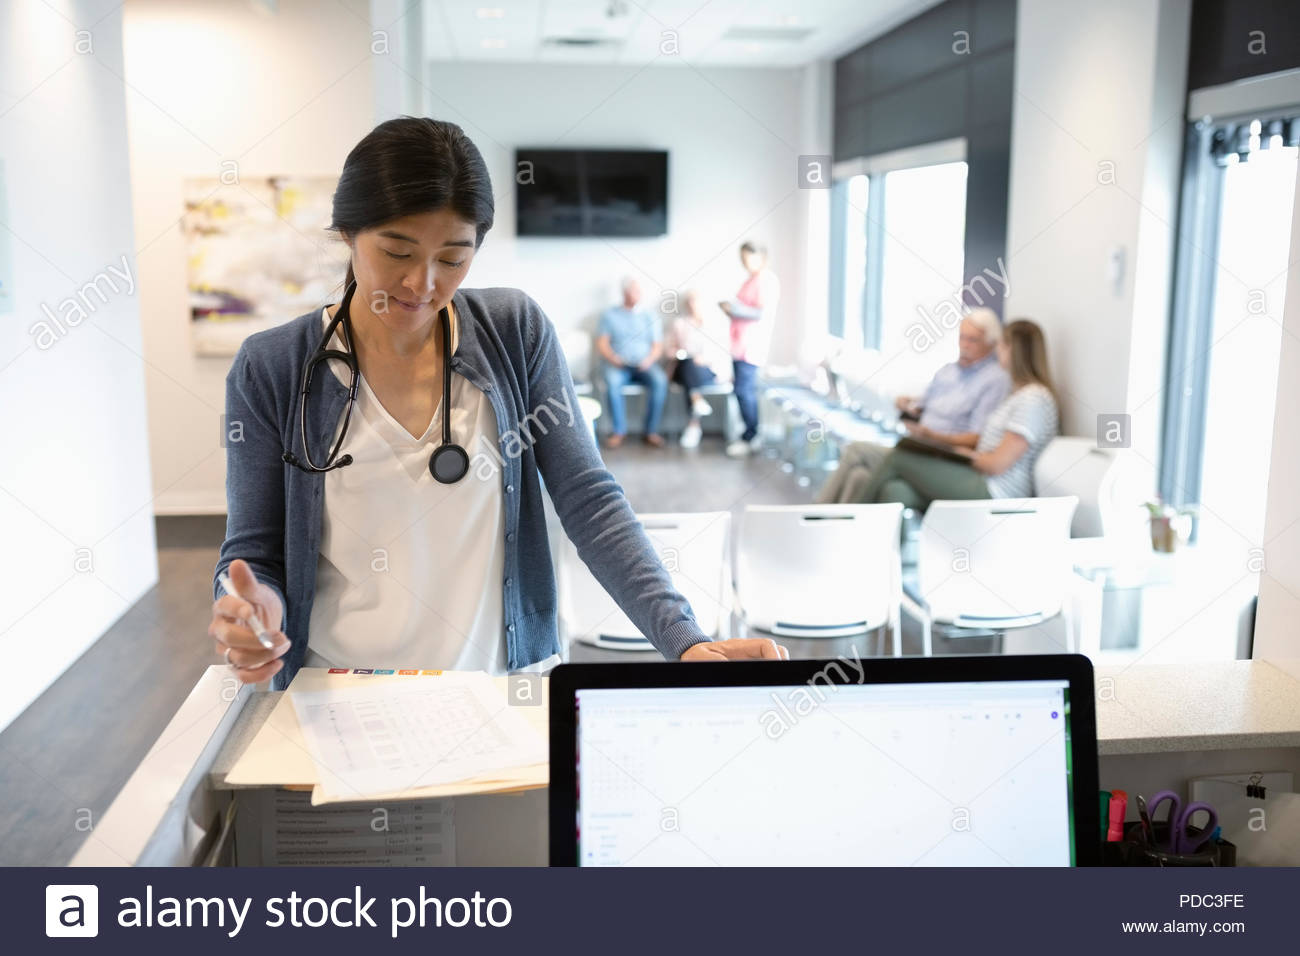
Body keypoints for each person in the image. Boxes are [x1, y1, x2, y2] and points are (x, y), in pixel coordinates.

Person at [208, 117, 788, 688]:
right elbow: (254, 553)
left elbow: (588, 499)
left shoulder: (514, 332)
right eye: (397, 252)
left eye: (453, 258)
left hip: (499, 692)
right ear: (346, 235)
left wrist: (682, 638)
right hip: (337, 692)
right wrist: (255, 610)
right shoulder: (275, 368)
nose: (422, 283)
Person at [854, 319, 1059, 511]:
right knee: (896, 491)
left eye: (1002, 346)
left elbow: (996, 465)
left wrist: (962, 455)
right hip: (981, 478)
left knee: (900, 456)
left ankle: (851, 523)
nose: (998, 351)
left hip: (995, 492)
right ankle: (878, 546)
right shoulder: (1020, 395)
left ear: (1013, 351)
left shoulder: (1034, 399)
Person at [816, 309, 1010, 504]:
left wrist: (933, 436)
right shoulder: (948, 371)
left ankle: (817, 514)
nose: (964, 345)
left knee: (857, 450)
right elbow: (923, 405)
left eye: (973, 340)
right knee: (873, 482)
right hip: (919, 446)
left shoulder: (994, 380)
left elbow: (976, 438)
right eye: (962, 338)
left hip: (944, 457)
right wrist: (909, 405)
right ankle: (836, 526)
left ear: (991, 343)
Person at [721, 240, 779, 457]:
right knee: (742, 390)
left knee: (744, 391)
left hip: (750, 346)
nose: (744, 262)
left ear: (761, 256)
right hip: (739, 345)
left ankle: (751, 436)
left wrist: (734, 309)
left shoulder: (766, 280)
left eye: (748, 258)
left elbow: (759, 312)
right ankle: (749, 433)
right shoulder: (752, 280)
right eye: (742, 258)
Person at [596, 277, 669, 448]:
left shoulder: (649, 315)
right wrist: (614, 359)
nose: (637, 294)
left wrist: (649, 360)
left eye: (639, 291)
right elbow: (602, 343)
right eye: (633, 291)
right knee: (612, 383)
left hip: (645, 365)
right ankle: (618, 431)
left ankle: (651, 431)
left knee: (660, 381)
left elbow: (657, 346)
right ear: (624, 293)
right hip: (618, 365)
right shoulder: (610, 315)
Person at [666, 289, 729, 449]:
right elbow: (668, 350)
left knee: (691, 372)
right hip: (683, 368)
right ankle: (697, 403)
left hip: (707, 370)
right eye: (690, 301)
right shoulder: (679, 324)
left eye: (696, 301)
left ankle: (694, 424)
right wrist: (678, 353)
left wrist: (705, 359)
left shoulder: (714, 325)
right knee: (688, 364)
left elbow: (722, 351)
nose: (693, 305)